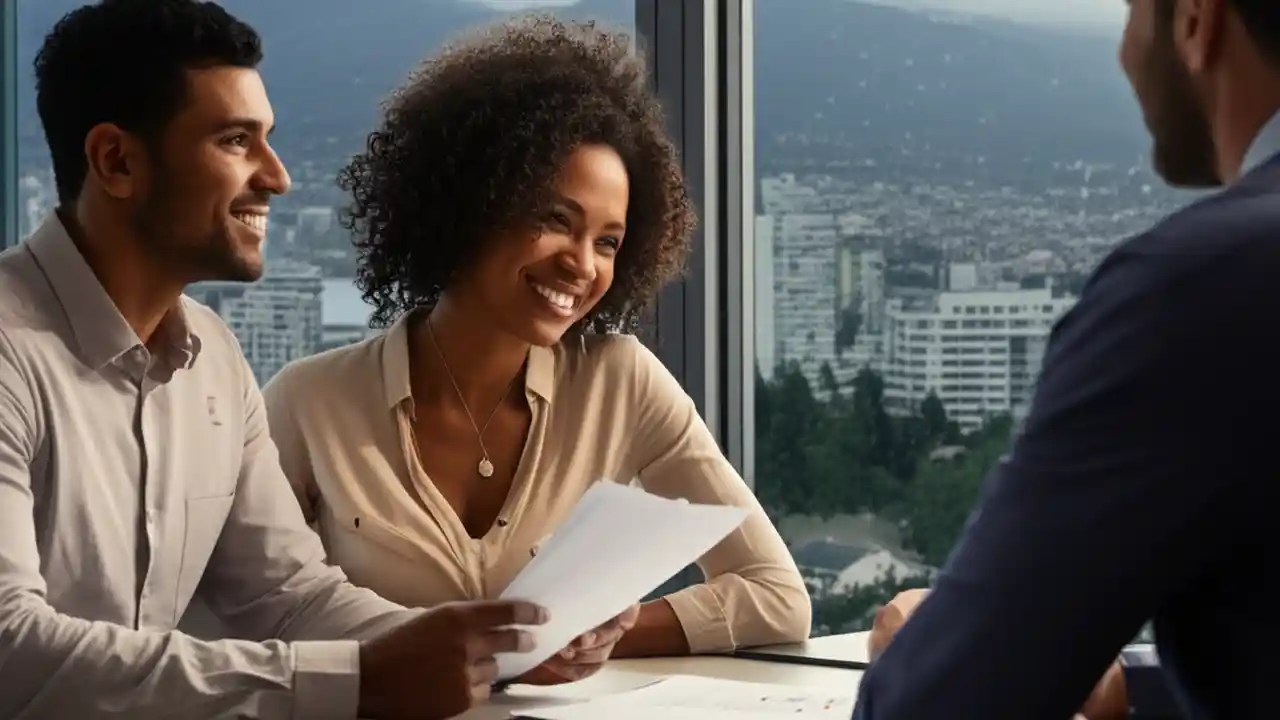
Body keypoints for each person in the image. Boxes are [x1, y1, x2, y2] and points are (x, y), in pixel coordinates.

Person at [0, 2, 548, 719]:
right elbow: (11, 651)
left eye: (271, 141)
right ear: (118, 161)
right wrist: (345, 685)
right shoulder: (11, 353)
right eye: (236, 141)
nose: (278, 176)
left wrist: (491, 646)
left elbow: (289, 598)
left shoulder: (214, 362)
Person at [261, 14, 811, 685]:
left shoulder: (622, 382)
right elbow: (257, 615)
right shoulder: (308, 401)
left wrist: (601, 631)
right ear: (471, 204)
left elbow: (775, 595)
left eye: (608, 242)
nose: (583, 265)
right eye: (556, 220)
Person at [853, 0, 1280, 718]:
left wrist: (931, 657)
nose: (1123, 52)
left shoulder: (1204, 285)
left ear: (1197, 21)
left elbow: (950, 703)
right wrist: (1133, 688)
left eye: (1132, 12)